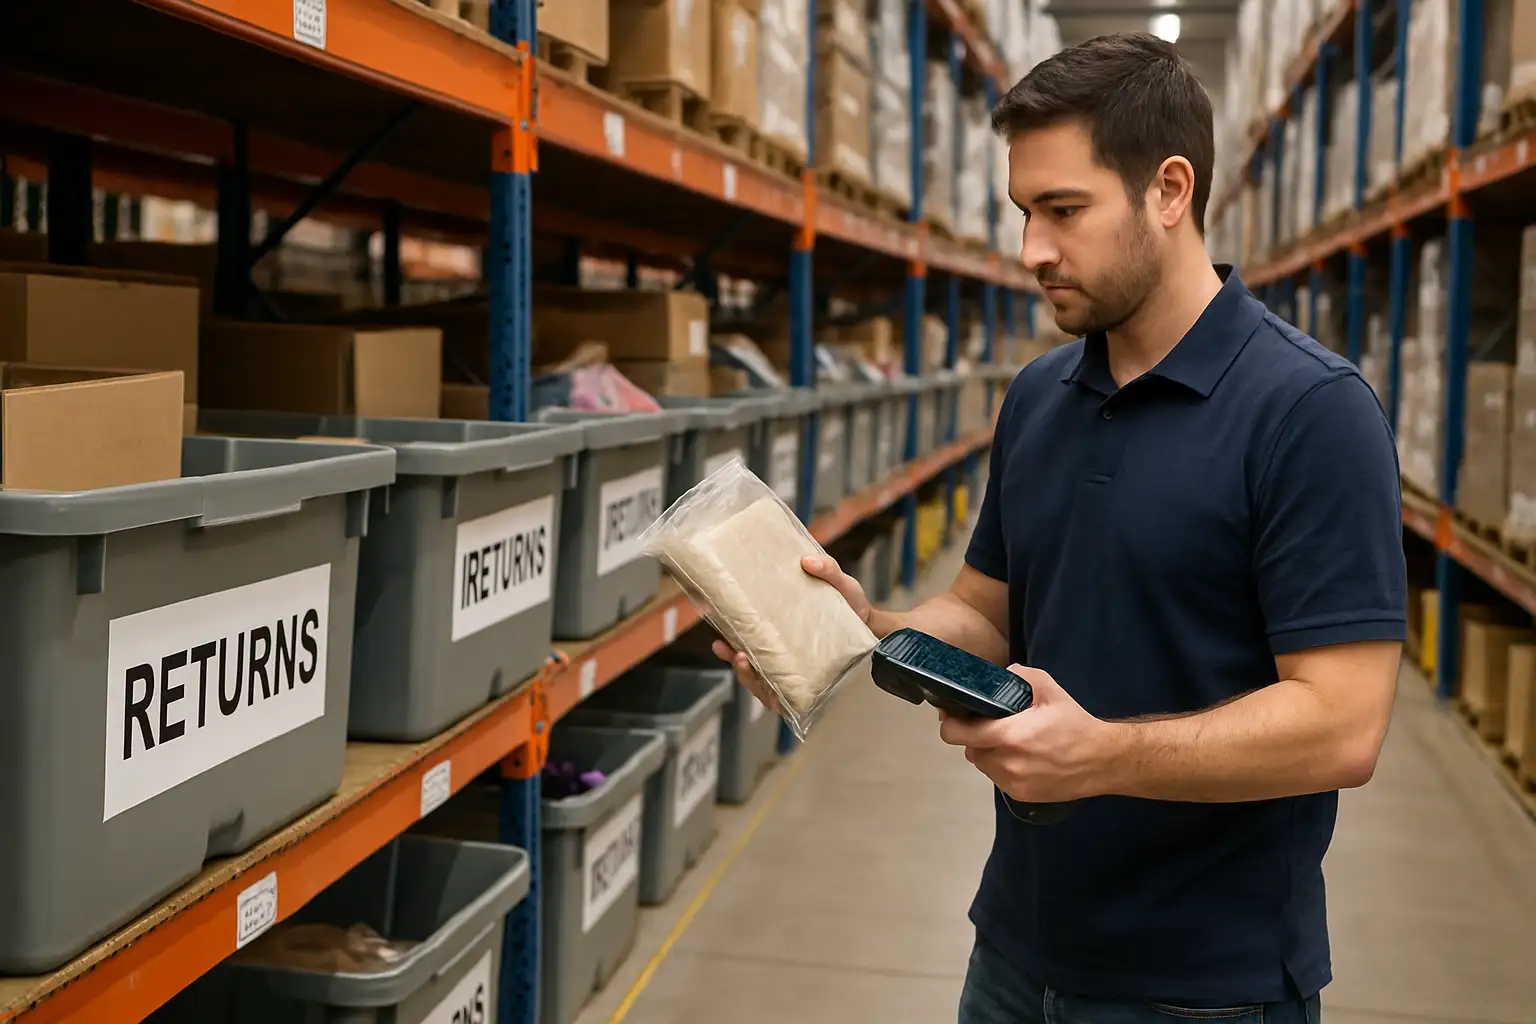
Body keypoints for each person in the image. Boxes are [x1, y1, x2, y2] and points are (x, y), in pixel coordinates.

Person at [714, 31, 1407, 1024]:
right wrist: (865, 631)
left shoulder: (1310, 412)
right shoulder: (1041, 396)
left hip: (1204, 989)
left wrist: (1106, 755)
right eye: (1024, 212)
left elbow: (1343, 725)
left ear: (1170, 191)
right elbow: (985, 612)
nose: (1032, 249)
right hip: (1014, 951)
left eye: (1064, 210)